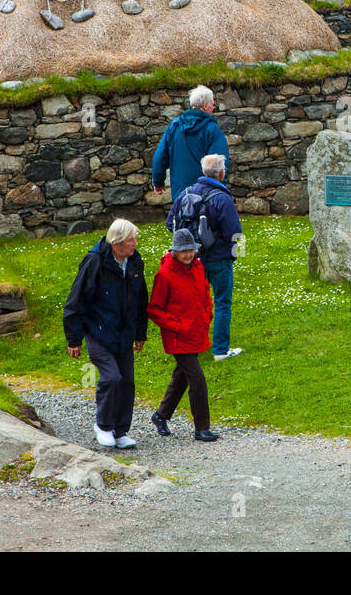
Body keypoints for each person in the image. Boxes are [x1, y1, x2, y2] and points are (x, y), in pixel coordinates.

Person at [63, 219, 148, 449]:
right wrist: (74, 339)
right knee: (112, 378)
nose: (135, 243)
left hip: (125, 334)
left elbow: (141, 299)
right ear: (117, 243)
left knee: (127, 382)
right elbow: (76, 300)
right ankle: (103, 425)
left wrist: (140, 333)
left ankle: (120, 431)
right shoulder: (95, 262)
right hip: (98, 333)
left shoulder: (135, 261)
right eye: (131, 240)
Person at [168, 153, 243, 361]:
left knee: (194, 304)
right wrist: (234, 251)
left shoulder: (185, 194)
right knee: (222, 302)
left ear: (202, 171)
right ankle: (220, 350)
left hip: (191, 260)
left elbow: (170, 224)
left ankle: (191, 346)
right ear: (221, 173)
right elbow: (234, 231)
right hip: (219, 258)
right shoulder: (222, 198)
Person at [147, 229, 219, 442]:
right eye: (183, 251)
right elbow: (154, 309)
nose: (188, 255)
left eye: (191, 250)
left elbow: (205, 294)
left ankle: (161, 415)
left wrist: (207, 315)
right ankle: (201, 428)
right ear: (175, 252)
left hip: (196, 331)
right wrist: (177, 326)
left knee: (181, 377)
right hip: (178, 337)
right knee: (197, 380)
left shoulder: (198, 267)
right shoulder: (164, 275)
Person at [151, 85, 230, 199]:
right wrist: (220, 187)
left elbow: (159, 157)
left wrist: (158, 182)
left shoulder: (174, 126)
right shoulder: (212, 129)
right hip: (206, 195)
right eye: (212, 104)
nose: (214, 107)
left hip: (181, 194)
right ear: (205, 106)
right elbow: (219, 162)